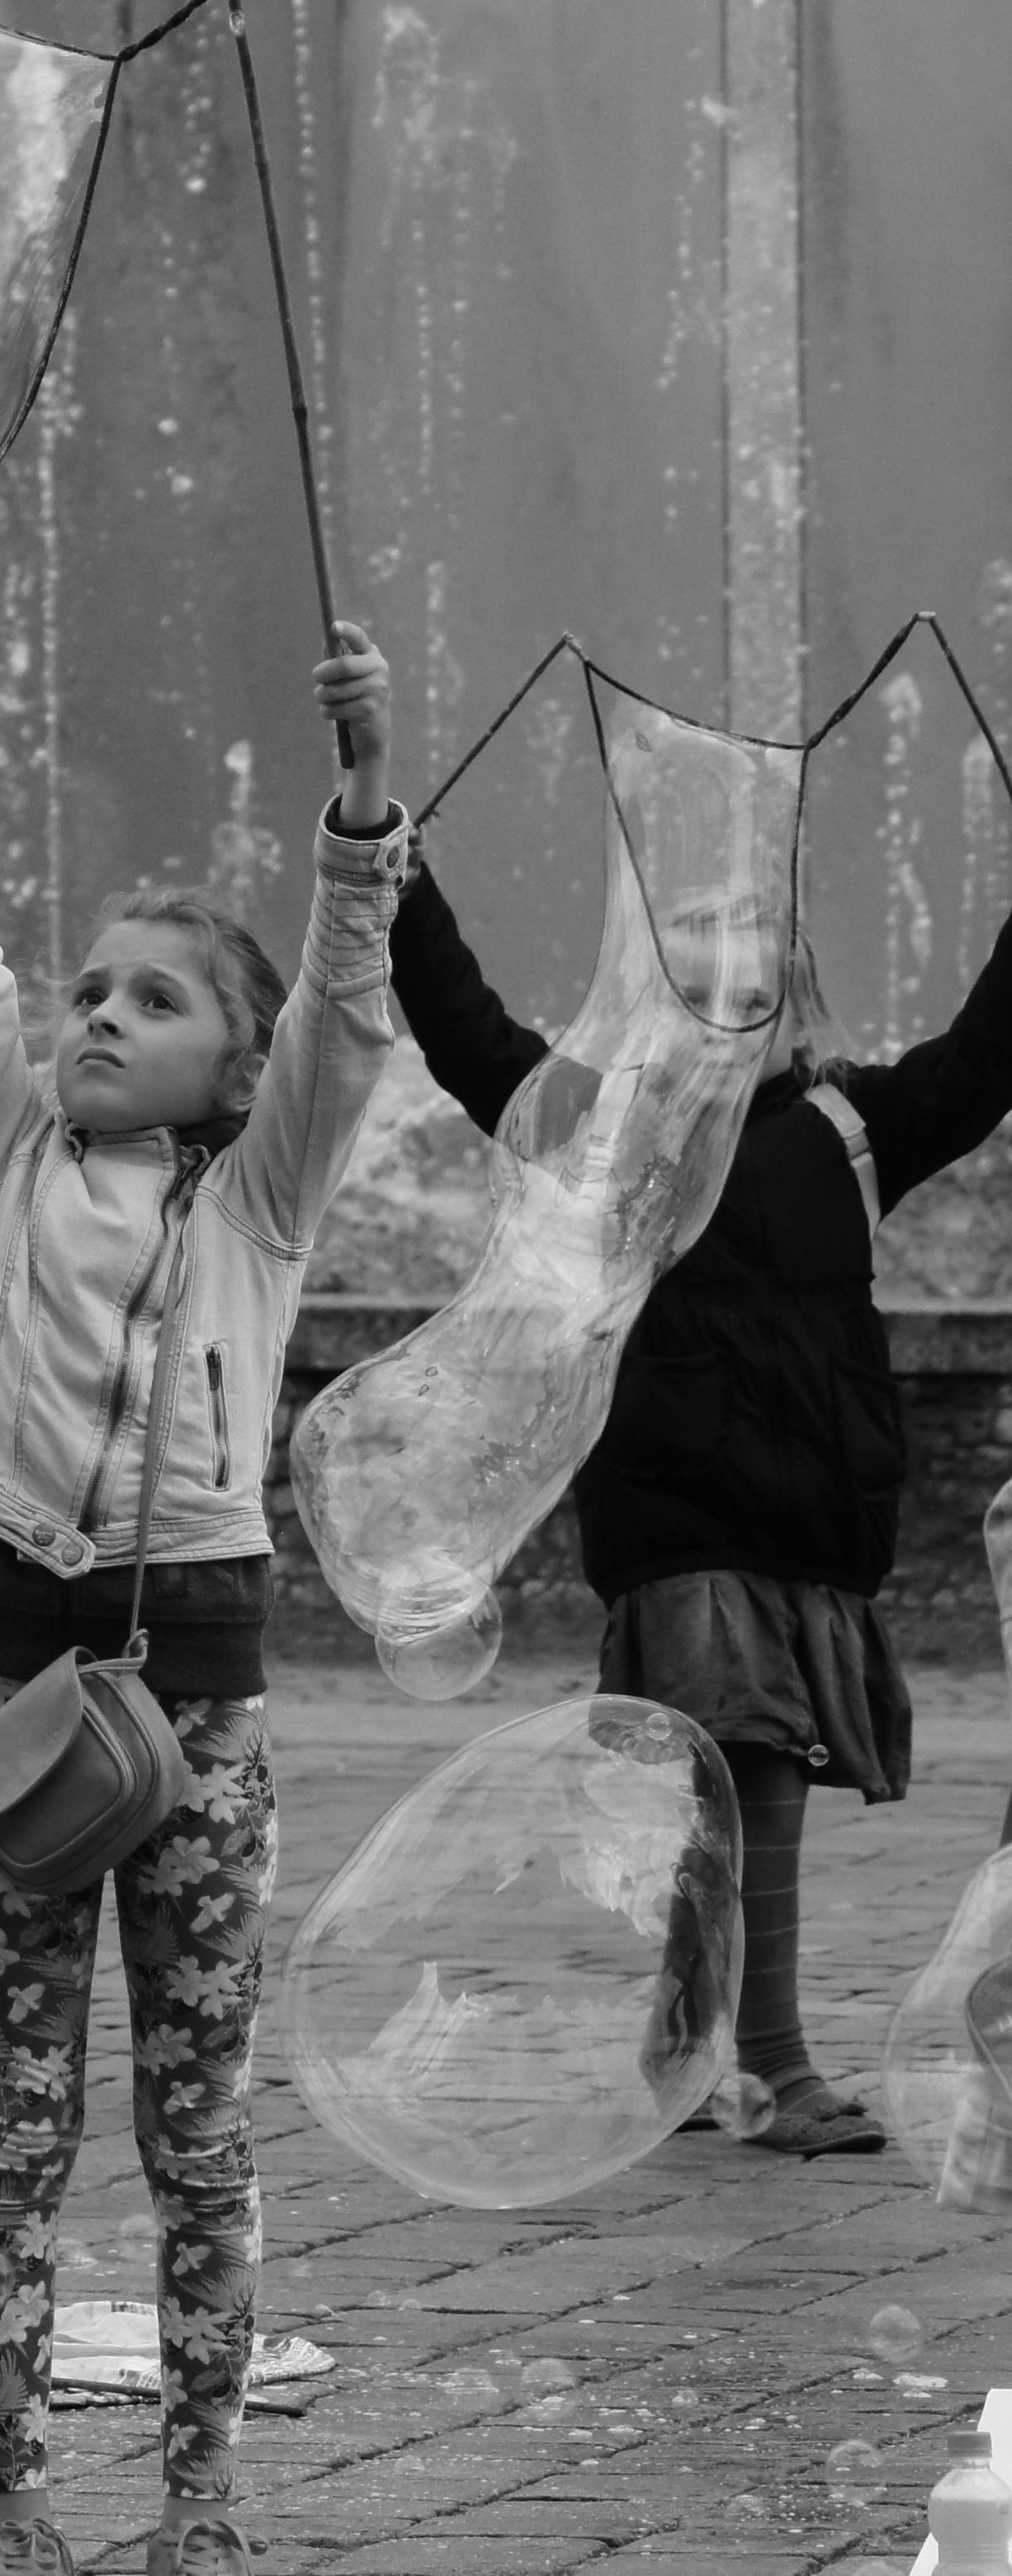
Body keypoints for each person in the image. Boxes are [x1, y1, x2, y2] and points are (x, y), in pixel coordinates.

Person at [0, 546, 404, 2576]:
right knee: (17, 2123)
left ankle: (205, 2521)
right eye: (89, 985)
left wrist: (361, 801)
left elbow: (351, 1006)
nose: (96, 1010)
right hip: (16, 1683)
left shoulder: (263, 1194)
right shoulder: (7, 1149)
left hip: (197, 1703)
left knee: (201, 2131)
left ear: (237, 1065)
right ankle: (14, 2525)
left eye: (154, 998)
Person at [386, 829, 1012, 2159]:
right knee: (758, 1763)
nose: (727, 1013)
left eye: (754, 990)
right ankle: (772, 2066)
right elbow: (468, 1037)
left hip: (816, 1519)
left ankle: (681, 2045)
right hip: (677, 1519)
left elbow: (988, 1053)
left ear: (802, 1004)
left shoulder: (856, 1129)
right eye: (693, 990)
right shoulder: (607, 1131)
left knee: (728, 1784)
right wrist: (402, 878)